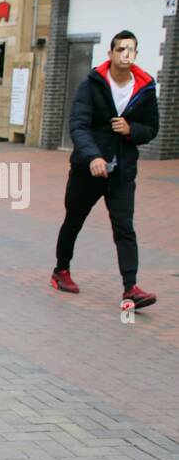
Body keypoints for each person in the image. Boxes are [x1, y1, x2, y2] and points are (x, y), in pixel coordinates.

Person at [52, 29, 160, 308]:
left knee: (124, 227)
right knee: (74, 220)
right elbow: (78, 124)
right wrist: (92, 157)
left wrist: (131, 130)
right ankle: (61, 270)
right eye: (120, 49)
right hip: (88, 170)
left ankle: (131, 288)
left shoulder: (145, 88)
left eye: (131, 50)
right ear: (110, 53)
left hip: (122, 171)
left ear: (135, 54)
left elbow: (152, 128)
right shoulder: (92, 84)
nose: (125, 54)